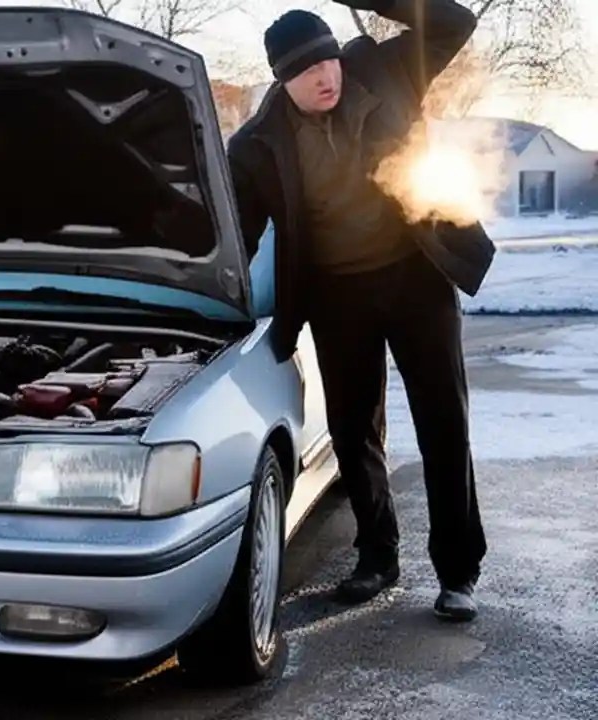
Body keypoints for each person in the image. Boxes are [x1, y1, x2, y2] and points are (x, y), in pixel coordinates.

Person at [227, 0, 496, 622]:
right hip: (336, 293)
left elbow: (456, 22)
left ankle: (458, 572)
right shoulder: (258, 146)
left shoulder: (386, 68)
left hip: (415, 276)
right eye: (306, 70)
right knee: (353, 431)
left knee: (443, 423)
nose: (326, 76)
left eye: (328, 59)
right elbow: (238, 234)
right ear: (281, 81)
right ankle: (378, 556)